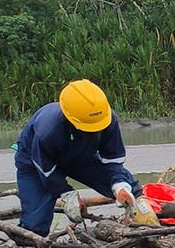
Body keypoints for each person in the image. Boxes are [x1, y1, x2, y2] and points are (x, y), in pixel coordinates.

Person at [14, 79, 141, 235]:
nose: (94, 131)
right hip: (36, 163)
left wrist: (120, 186)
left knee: (134, 192)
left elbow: (113, 159)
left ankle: (145, 225)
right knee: (34, 225)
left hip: (81, 156)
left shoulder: (107, 119)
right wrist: (68, 194)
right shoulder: (48, 129)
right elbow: (45, 169)